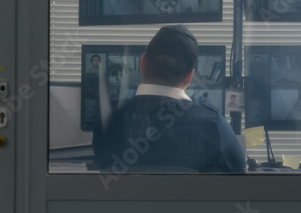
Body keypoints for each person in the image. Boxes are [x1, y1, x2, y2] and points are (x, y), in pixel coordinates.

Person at [93, 25, 245, 174]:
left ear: (142, 62)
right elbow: (239, 177)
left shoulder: (107, 119)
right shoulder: (212, 124)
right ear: (189, 77)